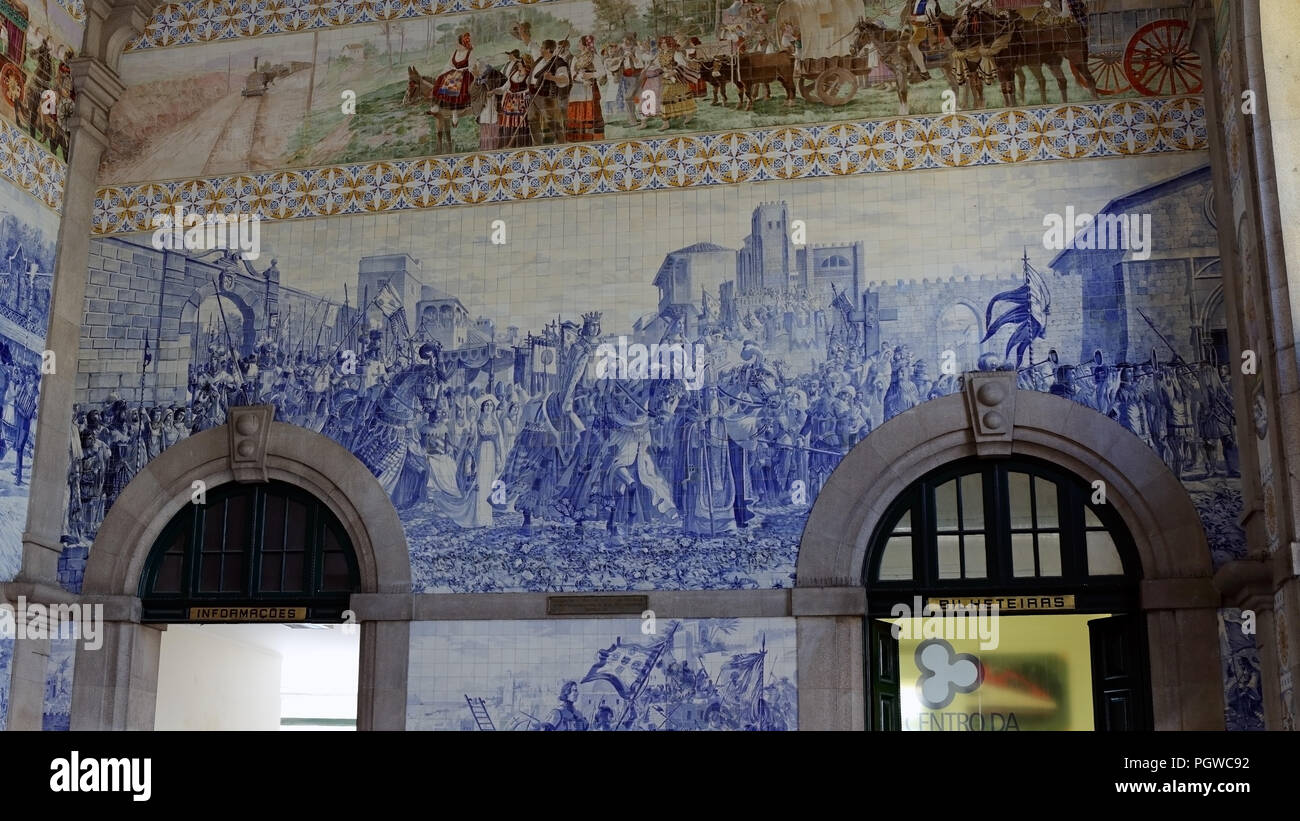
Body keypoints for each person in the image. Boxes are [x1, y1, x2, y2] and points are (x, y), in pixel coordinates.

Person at [528, 39, 570, 145]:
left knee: (552, 122)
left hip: (546, 96)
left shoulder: (558, 62)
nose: (540, 50)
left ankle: (561, 143)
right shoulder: (539, 60)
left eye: (542, 48)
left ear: (548, 49)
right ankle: (537, 145)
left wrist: (552, 78)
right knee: (532, 120)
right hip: (533, 95)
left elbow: (565, 80)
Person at [430, 31, 475, 127]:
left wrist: (461, 72)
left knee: (454, 83)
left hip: (465, 74)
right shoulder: (455, 52)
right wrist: (442, 73)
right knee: (442, 78)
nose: (456, 45)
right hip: (454, 71)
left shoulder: (469, 53)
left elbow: (472, 66)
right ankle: (437, 104)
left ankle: (455, 113)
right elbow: (449, 64)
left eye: (457, 43)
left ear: (462, 44)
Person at [566, 35, 605, 142]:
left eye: (580, 42)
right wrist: (582, 78)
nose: (578, 44)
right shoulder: (576, 57)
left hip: (590, 89)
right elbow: (572, 73)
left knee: (591, 113)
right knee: (577, 113)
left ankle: (592, 139)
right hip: (577, 88)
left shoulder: (594, 57)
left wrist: (591, 75)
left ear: (584, 44)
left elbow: (602, 72)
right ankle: (577, 139)